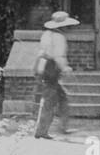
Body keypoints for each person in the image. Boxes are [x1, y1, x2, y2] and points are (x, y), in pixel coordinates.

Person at [34, 10, 79, 139]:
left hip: (44, 67)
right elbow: (58, 56)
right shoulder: (59, 37)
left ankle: (63, 126)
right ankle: (42, 131)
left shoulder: (46, 34)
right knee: (50, 100)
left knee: (61, 97)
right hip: (51, 69)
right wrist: (65, 68)